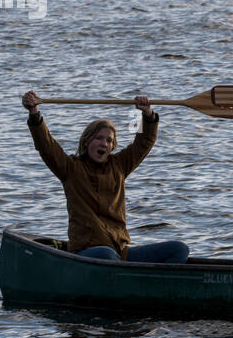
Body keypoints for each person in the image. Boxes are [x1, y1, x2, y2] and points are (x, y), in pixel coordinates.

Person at [21, 90, 189, 264]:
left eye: (109, 140)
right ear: (87, 141)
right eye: (98, 138)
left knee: (179, 249)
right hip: (87, 252)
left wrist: (146, 114)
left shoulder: (120, 165)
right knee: (106, 255)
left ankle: (152, 288)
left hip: (120, 253)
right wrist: (34, 113)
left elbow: (143, 142)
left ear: (112, 146)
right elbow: (46, 145)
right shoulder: (70, 168)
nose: (104, 143)